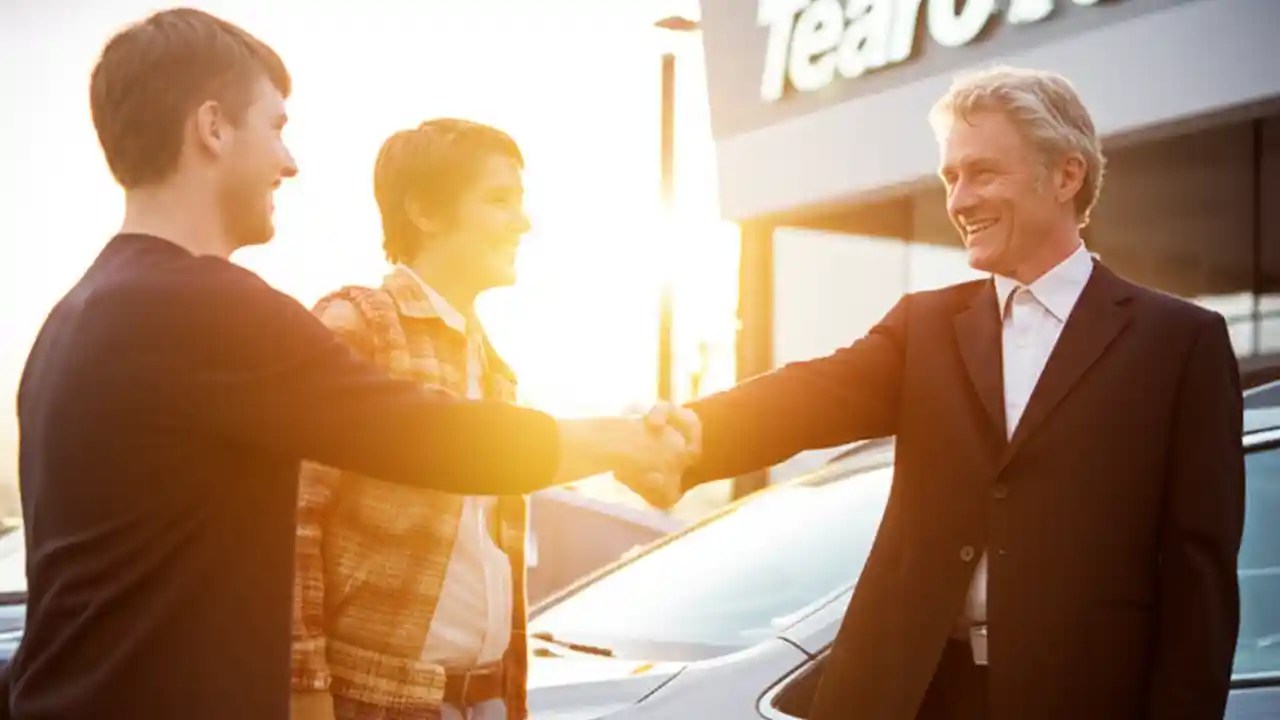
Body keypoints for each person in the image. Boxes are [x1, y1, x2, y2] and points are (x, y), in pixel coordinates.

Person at [6, 9, 691, 720]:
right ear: (212, 128)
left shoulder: (71, 321)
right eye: (275, 126)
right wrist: (622, 441)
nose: (289, 161)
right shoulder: (209, 311)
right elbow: (430, 438)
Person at [643, 67, 1245, 719]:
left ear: (1066, 176)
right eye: (950, 177)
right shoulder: (925, 326)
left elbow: (1199, 588)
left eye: (982, 173)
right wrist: (685, 434)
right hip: (914, 698)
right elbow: (809, 395)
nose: (959, 201)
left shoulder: (1180, 344)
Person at [288, 119, 555, 720]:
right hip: (382, 704)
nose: (522, 222)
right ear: (425, 212)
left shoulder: (494, 365)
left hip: (485, 698)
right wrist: (304, 692)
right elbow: (293, 528)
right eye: (499, 200)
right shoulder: (358, 328)